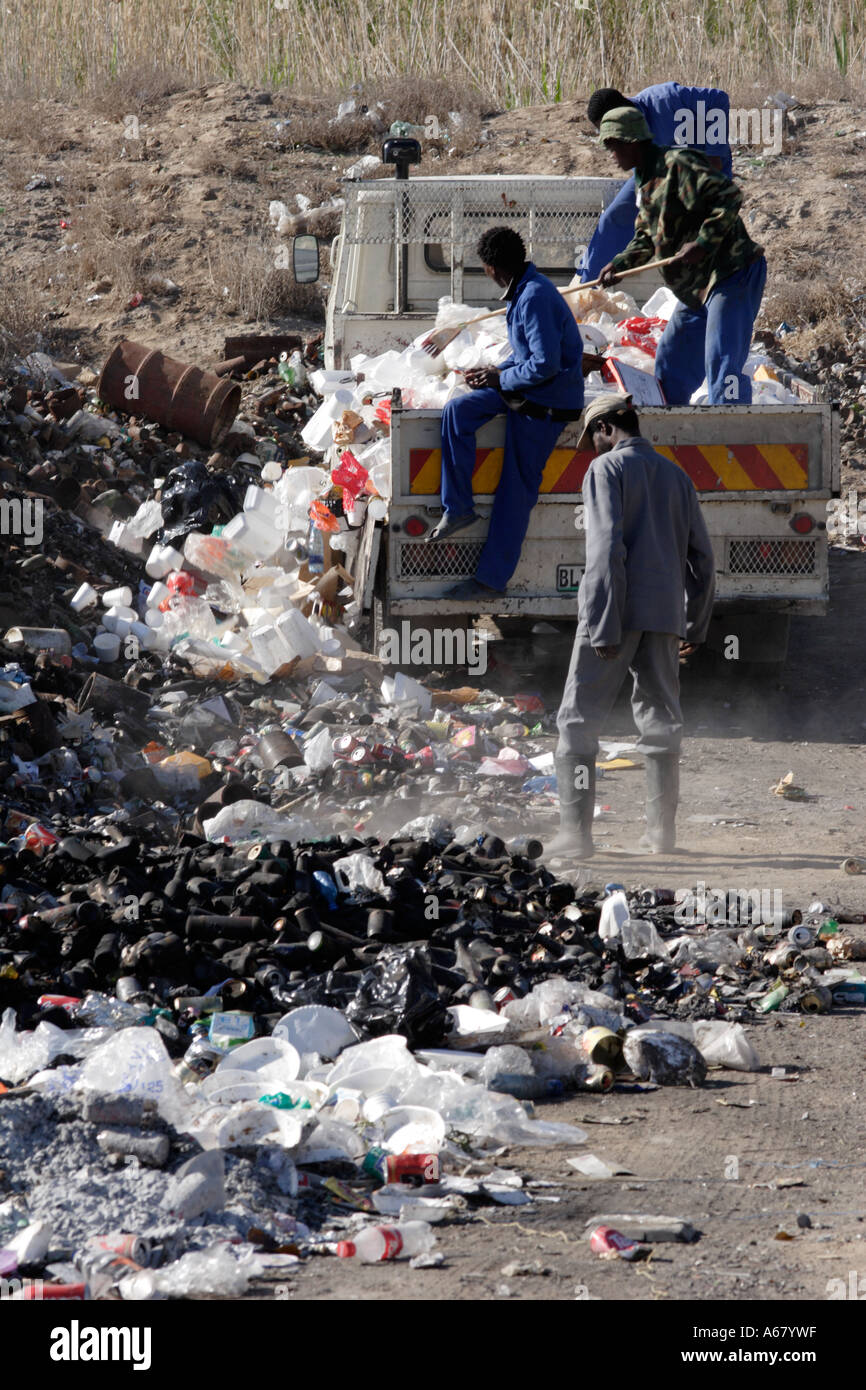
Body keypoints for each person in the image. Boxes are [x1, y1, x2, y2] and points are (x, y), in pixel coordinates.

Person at [548, 393, 715, 860]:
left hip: (616, 615)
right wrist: (694, 625)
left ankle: (576, 836)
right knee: (661, 721)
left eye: (593, 439)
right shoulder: (678, 477)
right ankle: (661, 836)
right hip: (664, 617)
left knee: (578, 721)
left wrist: (603, 624)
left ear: (605, 428)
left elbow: (605, 551)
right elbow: (702, 558)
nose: (594, 450)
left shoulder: (606, 471)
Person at [427, 226, 584, 600]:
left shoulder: (534, 297)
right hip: (524, 388)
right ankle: (459, 507)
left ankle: (490, 582)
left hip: (547, 402)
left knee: (515, 491)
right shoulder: (523, 291)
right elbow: (528, 355)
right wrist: (496, 373)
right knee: (458, 411)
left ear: (494, 268)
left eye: (484, 266)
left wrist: (503, 377)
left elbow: (545, 364)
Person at [596, 106, 766, 406]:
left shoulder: (678, 164)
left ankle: (733, 437)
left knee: (722, 361)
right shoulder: (645, 182)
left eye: (614, 146)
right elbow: (647, 237)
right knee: (671, 362)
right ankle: (677, 434)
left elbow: (728, 196)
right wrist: (619, 265)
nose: (612, 155)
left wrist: (702, 242)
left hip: (729, 274)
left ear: (631, 142)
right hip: (695, 288)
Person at [581, 82, 733, 282]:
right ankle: (587, 289)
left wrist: (714, 152)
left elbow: (718, 98)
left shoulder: (666, 100)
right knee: (614, 218)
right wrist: (620, 264)